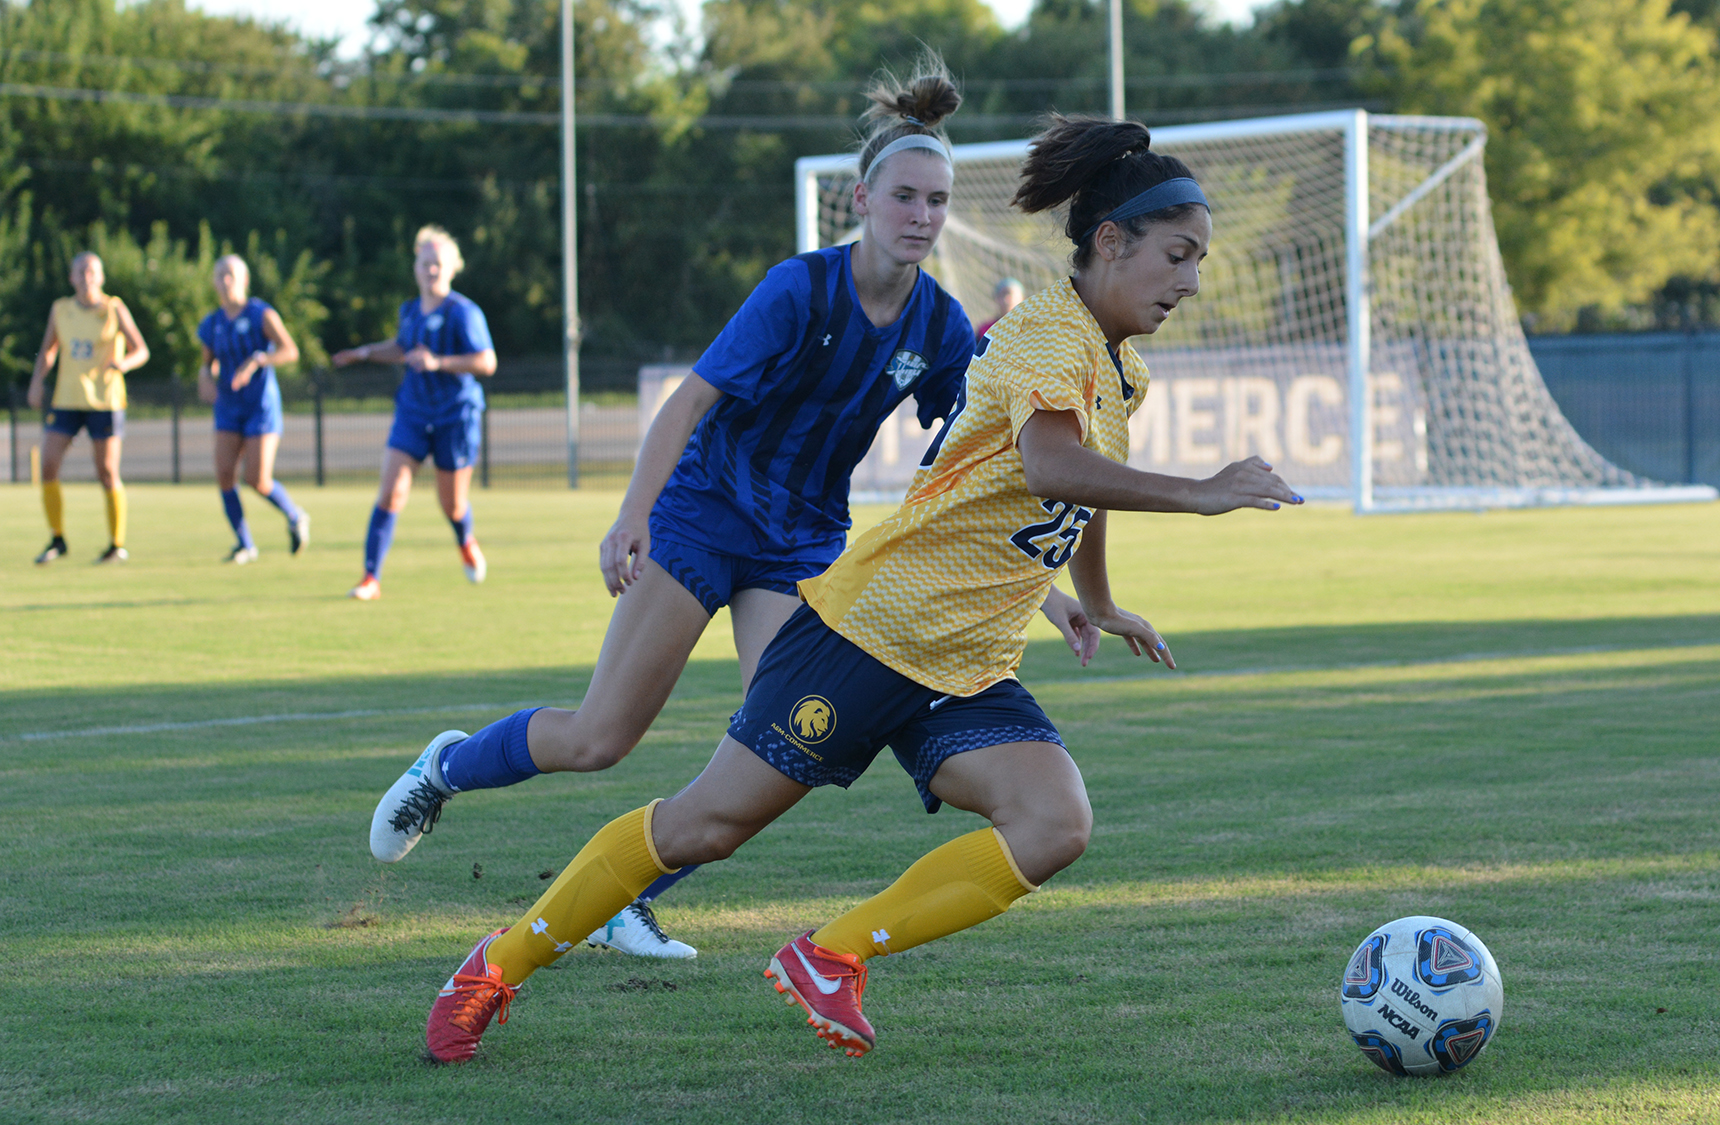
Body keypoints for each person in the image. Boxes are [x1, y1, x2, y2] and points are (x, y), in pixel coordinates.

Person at [416, 113, 1301, 1063]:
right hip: (870, 638)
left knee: (1054, 821)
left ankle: (831, 953)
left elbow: (1081, 482)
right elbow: (1050, 463)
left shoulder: (1120, 368)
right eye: (1179, 256)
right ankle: (491, 968)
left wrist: (1099, 594)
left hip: (966, 662)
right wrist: (1204, 494)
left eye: (1198, 261)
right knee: (702, 827)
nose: (1191, 282)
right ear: (1111, 241)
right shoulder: (1049, 331)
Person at [367, 62, 1101, 964]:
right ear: (862, 200)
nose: (922, 215)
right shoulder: (798, 290)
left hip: (801, 546)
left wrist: (1053, 591)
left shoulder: (942, 327)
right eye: (905, 196)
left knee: (774, 755)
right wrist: (632, 516)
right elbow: (688, 403)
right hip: (705, 515)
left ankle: (625, 900)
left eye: (938, 201)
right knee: (602, 736)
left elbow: (979, 476)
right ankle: (447, 764)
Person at [331, 226, 496, 600]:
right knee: (390, 493)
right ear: (416, 267)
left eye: (438, 264)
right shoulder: (409, 311)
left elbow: (487, 361)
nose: (431, 270)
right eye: (425, 263)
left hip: (455, 416)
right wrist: (366, 353)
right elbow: (402, 348)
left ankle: (465, 539)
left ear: (452, 268)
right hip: (413, 412)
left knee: (451, 503)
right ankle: (370, 578)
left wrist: (439, 362)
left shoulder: (463, 312)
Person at [27, 251, 150, 566]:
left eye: (92, 271)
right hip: (68, 398)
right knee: (48, 465)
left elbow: (141, 351)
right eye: (80, 271)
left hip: (104, 400)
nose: (86, 277)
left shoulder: (113, 308)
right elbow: (48, 351)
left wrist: (123, 363)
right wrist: (37, 381)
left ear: (102, 277)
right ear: (71, 277)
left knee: (106, 471)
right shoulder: (61, 309)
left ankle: (115, 544)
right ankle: (57, 538)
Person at [196, 255, 310, 564]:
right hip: (228, 406)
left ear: (244, 281)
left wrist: (260, 359)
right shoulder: (213, 323)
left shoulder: (261, 314)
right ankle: (245, 544)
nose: (225, 280)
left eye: (231, 275)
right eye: (220, 275)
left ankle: (294, 515)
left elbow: (290, 351)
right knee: (223, 474)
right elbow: (207, 364)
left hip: (260, 406)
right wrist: (205, 377)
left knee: (257, 479)